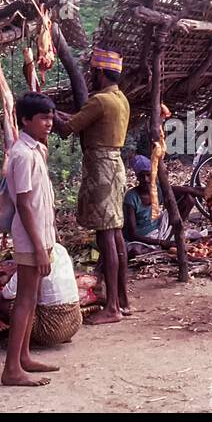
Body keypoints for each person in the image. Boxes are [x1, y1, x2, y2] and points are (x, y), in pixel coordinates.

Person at [54, 48, 131, 325]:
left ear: (99, 73)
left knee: (106, 236)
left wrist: (47, 113)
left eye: (93, 72)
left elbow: (66, 129)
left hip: (101, 169)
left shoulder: (99, 100)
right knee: (116, 233)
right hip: (115, 165)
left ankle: (112, 308)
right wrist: (59, 113)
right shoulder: (119, 99)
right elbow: (83, 118)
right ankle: (122, 299)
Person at [0, 92, 62, 386]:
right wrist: (39, 247)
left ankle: (24, 357)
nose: (49, 123)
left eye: (51, 117)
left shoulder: (36, 149)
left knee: (32, 296)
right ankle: (12, 368)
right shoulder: (22, 155)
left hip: (41, 231)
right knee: (25, 299)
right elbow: (24, 204)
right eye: (43, 118)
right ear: (26, 120)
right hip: (30, 236)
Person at [0, 244, 82, 348]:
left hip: (51, 330)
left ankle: (26, 340)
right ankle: (58, 335)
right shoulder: (60, 248)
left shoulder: (33, 254)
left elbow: (8, 294)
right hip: (74, 323)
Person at [123, 155, 202, 258]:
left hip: (159, 230)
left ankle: (169, 238)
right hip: (141, 237)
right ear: (137, 177)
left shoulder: (158, 189)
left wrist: (209, 194)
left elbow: (188, 191)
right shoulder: (131, 197)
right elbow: (132, 234)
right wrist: (161, 242)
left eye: (148, 175)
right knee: (135, 252)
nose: (146, 179)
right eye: (142, 176)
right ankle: (164, 244)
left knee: (189, 199)